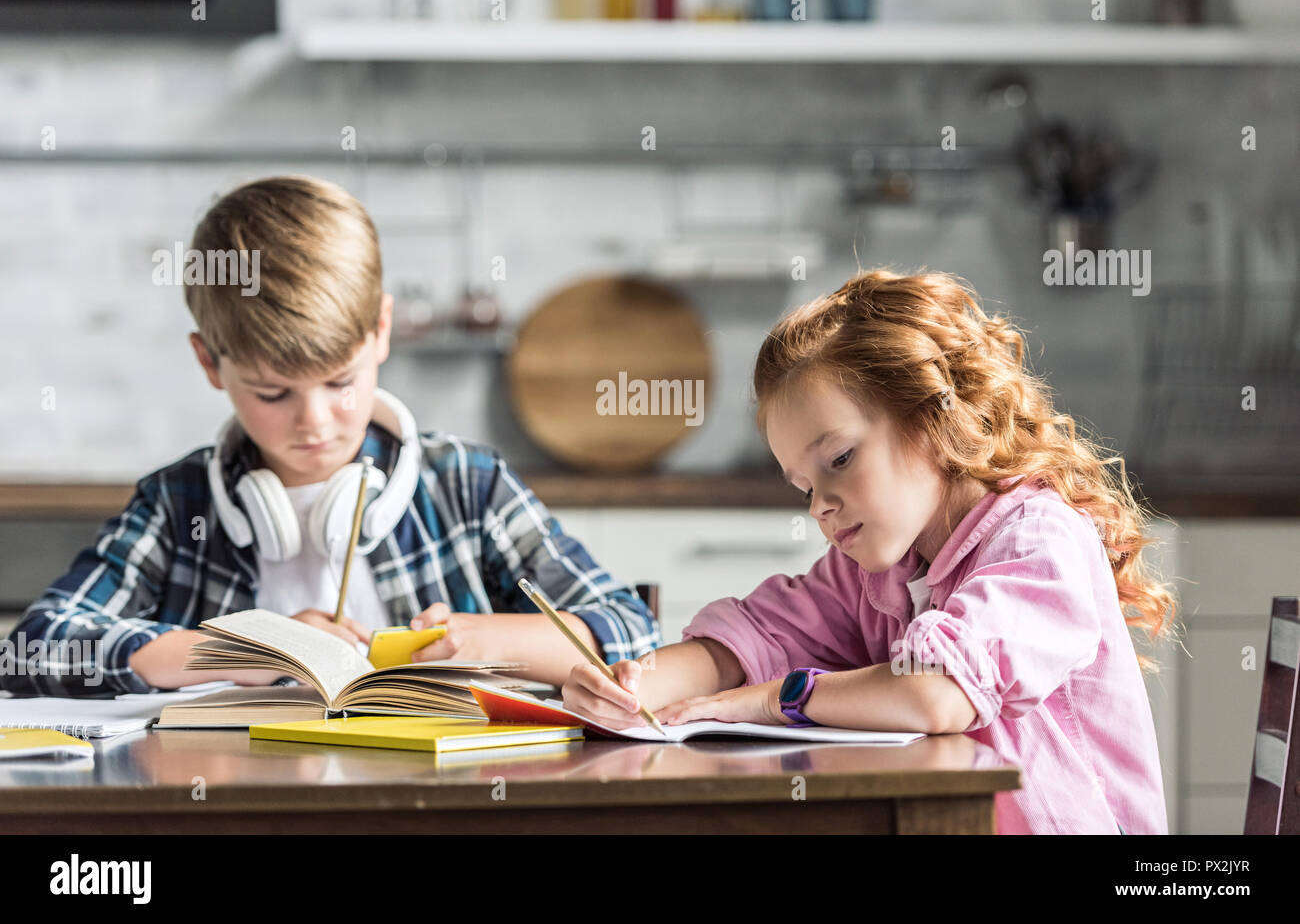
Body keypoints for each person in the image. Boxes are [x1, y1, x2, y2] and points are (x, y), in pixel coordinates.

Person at [562, 267, 1177, 834]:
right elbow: (751, 639)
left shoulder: (1037, 539)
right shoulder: (880, 572)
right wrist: (637, 690)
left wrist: (776, 699)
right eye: (804, 486)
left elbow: (934, 692)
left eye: (839, 460)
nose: (819, 506)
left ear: (931, 416)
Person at [2, 175, 659, 697]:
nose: (314, 420)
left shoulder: (466, 484)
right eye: (272, 393)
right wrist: (247, 648)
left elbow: (632, 625)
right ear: (209, 362)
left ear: (380, 331)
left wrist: (490, 640)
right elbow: (36, 645)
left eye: (340, 382)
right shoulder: (179, 505)